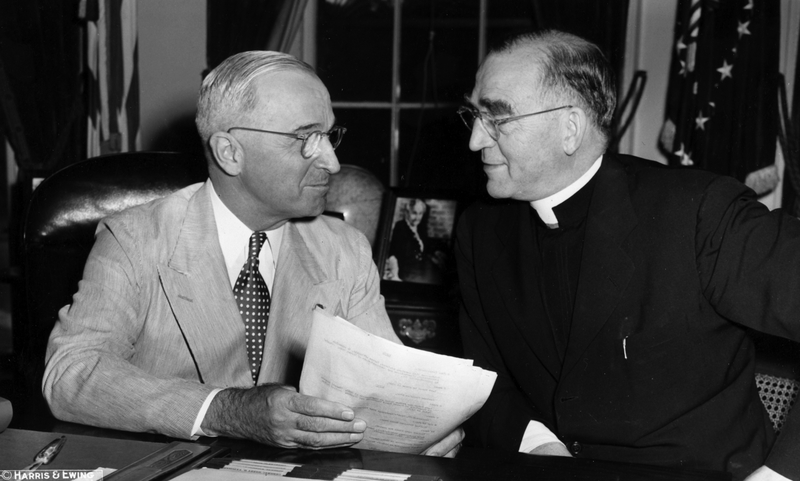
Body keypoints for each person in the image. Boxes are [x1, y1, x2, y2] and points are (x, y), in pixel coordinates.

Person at [43, 51, 462, 456]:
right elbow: (71, 373)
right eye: (305, 138)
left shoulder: (344, 249)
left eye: (330, 136)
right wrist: (227, 411)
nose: (333, 163)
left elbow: (387, 386)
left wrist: (422, 426)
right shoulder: (136, 239)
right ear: (230, 153)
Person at [455, 30, 800, 481]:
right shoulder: (479, 229)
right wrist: (539, 445)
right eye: (474, 115)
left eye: (497, 118)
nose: (474, 141)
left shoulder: (700, 212)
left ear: (570, 128)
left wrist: (779, 475)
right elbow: (484, 374)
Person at [385, 199, 432, 283]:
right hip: (405, 273)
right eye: (414, 213)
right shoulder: (400, 227)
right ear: (407, 213)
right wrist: (395, 275)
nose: (417, 217)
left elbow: (426, 249)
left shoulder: (421, 228)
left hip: (420, 271)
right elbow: (393, 253)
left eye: (420, 213)